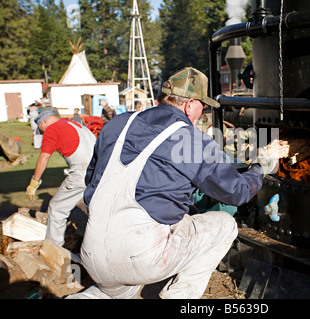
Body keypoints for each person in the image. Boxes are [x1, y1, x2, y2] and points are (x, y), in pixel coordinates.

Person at [66, 67, 279, 299]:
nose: (202, 111)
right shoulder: (190, 139)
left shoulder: (117, 124)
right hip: (141, 255)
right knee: (225, 225)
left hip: (92, 252)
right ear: (189, 104)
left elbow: (92, 179)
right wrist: (260, 167)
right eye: (202, 106)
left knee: (113, 292)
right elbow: (236, 192)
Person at [25, 109, 96, 247]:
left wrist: (34, 182)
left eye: (42, 129)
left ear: (44, 122)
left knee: (57, 209)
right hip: (99, 170)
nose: (44, 133)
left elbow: (44, 156)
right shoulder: (76, 125)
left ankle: (53, 249)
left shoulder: (52, 129)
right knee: (95, 210)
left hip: (81, 171)